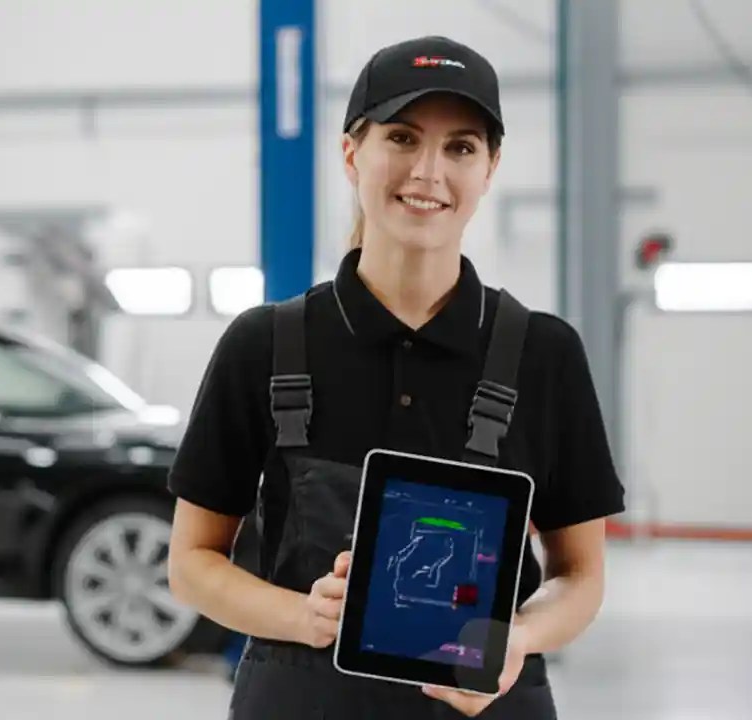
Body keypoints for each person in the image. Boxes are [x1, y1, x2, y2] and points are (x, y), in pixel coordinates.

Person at [167, 35, 625, 718]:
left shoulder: (545, 354)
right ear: (352, 153)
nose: (428, 171)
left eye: (461, 147)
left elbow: (580, 575)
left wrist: (519, 638)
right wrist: (304, 615)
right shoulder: (264, 346)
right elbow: (191, 563)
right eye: (403, 138)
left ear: (490, 168)